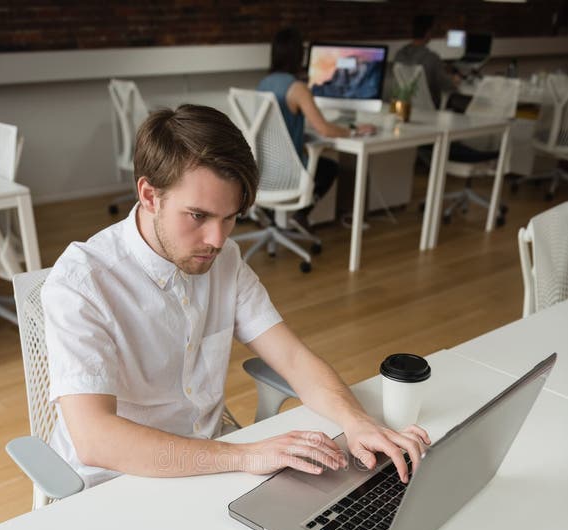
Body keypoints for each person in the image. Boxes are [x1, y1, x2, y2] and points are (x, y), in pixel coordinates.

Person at [42, 104, 428, 492]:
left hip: (207, 465)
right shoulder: (82, 283)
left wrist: (357, 421)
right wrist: (244, 455)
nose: (217, 239)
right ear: (149, 195)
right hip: (113, 485)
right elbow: (95, 439)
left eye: (230, 217)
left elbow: (293, 358)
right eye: (198, 216)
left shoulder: (224, 259)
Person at [257, 27, 376, 229]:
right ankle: (301, 214)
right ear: (299, 55)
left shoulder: (263, 85)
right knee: (330, 168)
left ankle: (271, 215)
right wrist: (353, 131)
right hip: (289, 172)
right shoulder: (297, 88)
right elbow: (325, 129)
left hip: (265, 170)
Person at [394, 14, 460, 109]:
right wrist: (454, 80)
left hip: (403, 107)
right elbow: (447, 86)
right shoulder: (432, 58)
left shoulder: (399, 55)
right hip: (429, 110)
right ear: (429, 32)